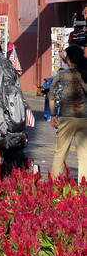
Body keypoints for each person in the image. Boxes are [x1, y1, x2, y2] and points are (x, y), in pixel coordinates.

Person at [50, 44, 87, 181]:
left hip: (66, 118)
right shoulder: (85, 73)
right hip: (84, 118)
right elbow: (73, 62)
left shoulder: (62, 74)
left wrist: (53, 115)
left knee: (60, 153)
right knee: (84, 156)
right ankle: (84, 188)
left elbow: (52, 96)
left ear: (69, 58)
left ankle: (54, 185)